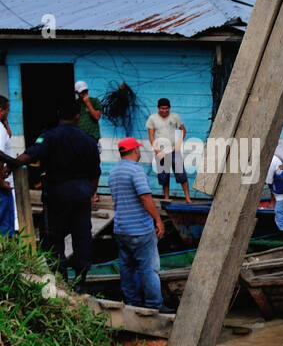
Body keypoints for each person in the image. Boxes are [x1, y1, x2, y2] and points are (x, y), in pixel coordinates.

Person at [14, 99, 101, 285]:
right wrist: (91, 193)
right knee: (82, 236)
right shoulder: (89, 141)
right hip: (81, 195)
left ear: (59, 116)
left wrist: (8, 167)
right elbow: (96, 173)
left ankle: (59, 279)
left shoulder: (50, 136)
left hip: (57, 195)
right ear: (78, 116)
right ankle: (80, 281)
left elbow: (29, 156)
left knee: (54, 237)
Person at [107, 138, 165, 309]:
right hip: (140, 229)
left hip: (121, 229)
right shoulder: (136, 171)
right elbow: (145, 197)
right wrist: (158, 220)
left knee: (127, 268)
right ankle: (154, 305)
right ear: (135, 151)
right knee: (148, 269)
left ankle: (132, 304)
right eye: (138, 150)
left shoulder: (114, 172)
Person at [147, 98, 190, 203]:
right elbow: (151, 136)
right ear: (158, 108)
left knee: (181, 174)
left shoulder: (174, 117)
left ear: (169, 108)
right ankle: (166, 198)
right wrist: (157, 151)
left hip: (174, 150)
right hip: (161, 151)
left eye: (166, 108)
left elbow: (183, 130)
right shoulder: (152, 118)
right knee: (164, 176)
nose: (164, 111)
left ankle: (188, 198)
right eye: (162, 108)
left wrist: (178, 143)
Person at [264, 145, 283, 239]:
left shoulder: (271, 161)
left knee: (281, 216)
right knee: (281, 213)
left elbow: (268, 181)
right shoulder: (277, 150)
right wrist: (272, 202)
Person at [0, 96, 15, 237]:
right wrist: (1, 181)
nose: (8, 113)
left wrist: (5, 121)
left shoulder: (2, 127)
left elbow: (8, 137)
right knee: (5, 226)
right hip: (1, 186)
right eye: (7, 111)